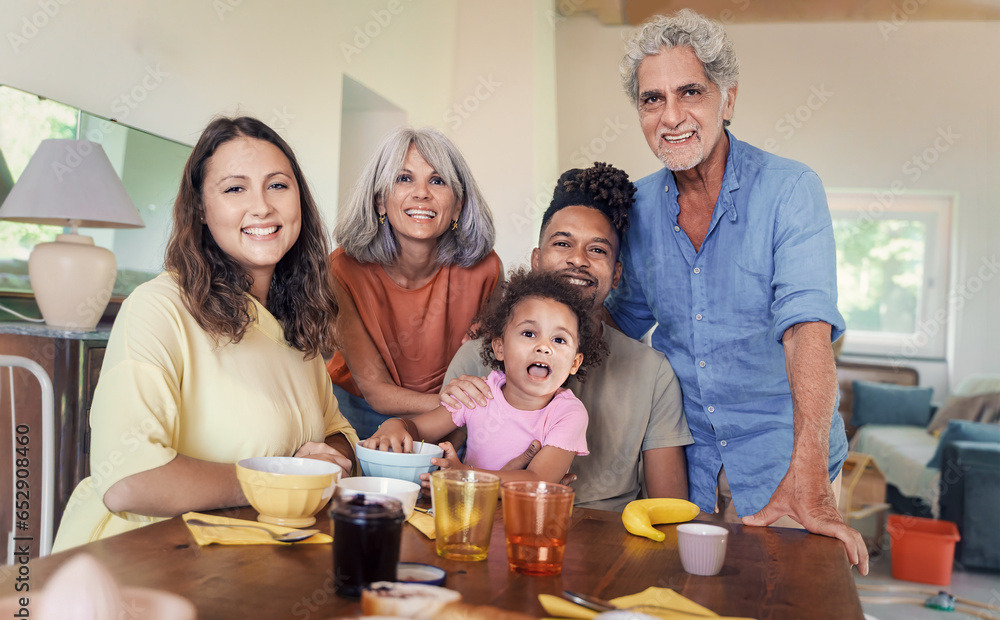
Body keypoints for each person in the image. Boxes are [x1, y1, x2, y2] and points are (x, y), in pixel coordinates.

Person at [606, 10, 868, 573]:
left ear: (727, 99)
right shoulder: (638, 208)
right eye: (652, 100)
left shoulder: (791, 190)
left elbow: (806, 331)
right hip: (684, 465)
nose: (671, 117)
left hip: (787, 461)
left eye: (690, 92)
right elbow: (616, 329)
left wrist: (808, 473)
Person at [53, 117, 357, 551]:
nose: (262, 207)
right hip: (142, 564)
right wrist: (277, 477)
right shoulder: (159, 308)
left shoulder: (296, 320)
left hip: (255, 560)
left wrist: (325, 459)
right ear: (200, 208)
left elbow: (338, 432)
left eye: (277, 185)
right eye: (235, 188)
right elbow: (129, 479)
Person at [441, 163, 692, 511]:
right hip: (493, 526)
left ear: (616, 274)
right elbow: (438, 469)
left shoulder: (652, 372)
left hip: (611, 544)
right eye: (563, 243)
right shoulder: (477, 357)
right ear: (537, 259)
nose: (578, 259)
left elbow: (670, 509)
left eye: (598, 250)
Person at [326, 127, 501, 439]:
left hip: (452, 415)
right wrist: (464, 404)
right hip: (355, 411)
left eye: (437, 180)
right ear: (380, 200)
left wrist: (458, 413)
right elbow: (377, 391)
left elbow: (492, 366)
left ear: (458, 206)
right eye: (404, 178)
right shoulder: (342, 269)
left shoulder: (486, 270)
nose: (422, 193)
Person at [360, 268, 606, 488]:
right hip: (469, 514)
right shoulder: (480, 393)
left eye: (559, 340)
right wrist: (396, 425)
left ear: (575, 362)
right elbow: (418, 430)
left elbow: (538, 479)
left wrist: (467, 475)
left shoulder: (568, 414)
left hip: (527, 525)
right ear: (499, 348)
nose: (544, 347)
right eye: (529, 333)